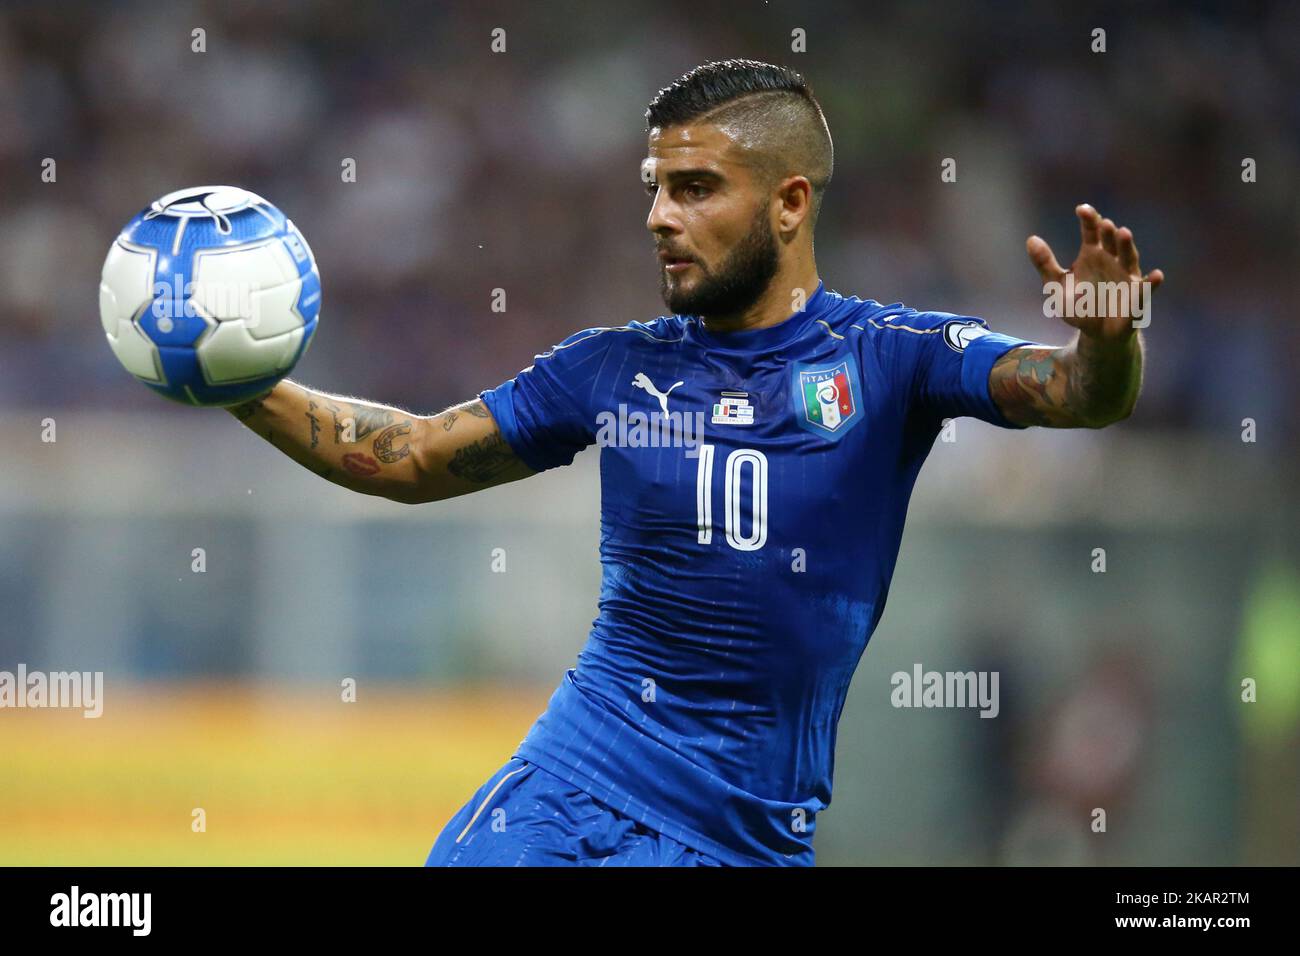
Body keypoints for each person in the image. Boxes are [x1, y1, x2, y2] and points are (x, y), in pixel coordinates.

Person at [230, 59, 1163, 866]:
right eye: (654, 187)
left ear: (790, 202)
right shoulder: (610, 368)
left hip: (745, 836)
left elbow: (1079, 393)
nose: (659, 218)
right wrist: (234, 383)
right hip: (569, 793)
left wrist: (1111, 341)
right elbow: (411, 456)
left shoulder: (891, 357)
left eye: (696, 189)